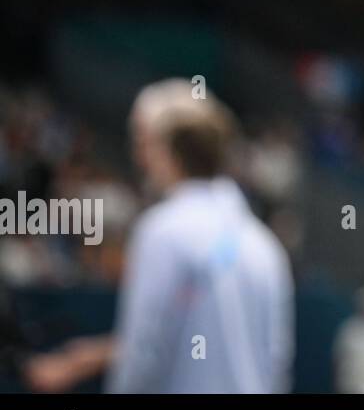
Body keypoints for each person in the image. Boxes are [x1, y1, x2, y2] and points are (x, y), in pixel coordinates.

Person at [25, 79, 294, 393]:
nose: (140, 158)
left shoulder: (163, 232)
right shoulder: (263, 244)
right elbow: (276, 360)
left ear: (165, 147)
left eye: (143, 142)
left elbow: (145, 354)